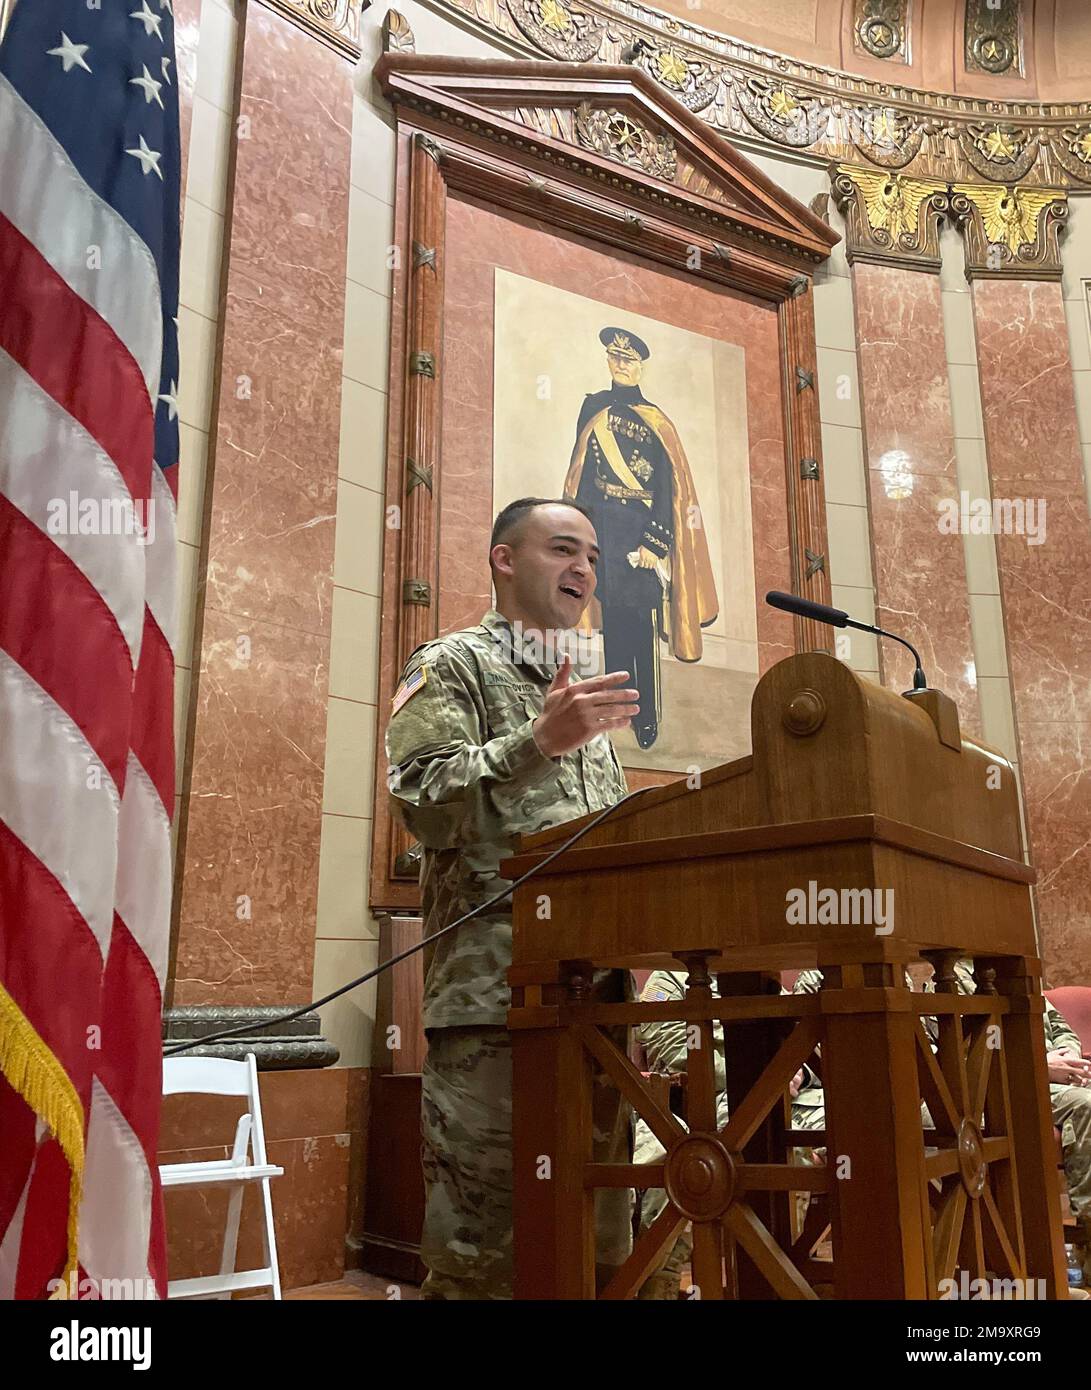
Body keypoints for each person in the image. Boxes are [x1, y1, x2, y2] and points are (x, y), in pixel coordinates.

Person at [385, 496, 639, 1299]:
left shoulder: (579, 694)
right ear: (503, 559)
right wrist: (535, 743)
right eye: (563, 550)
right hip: (493, 1006)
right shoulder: (451, 663)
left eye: (593, 557)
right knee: (483, 1257)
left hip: (592, 1006)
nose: (584, 570)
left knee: (595, 1245)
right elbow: (421, 800)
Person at [562, 327, 718, 749]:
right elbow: (582, 478)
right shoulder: (593, 408)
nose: (620, 363)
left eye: (628, 359)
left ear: (641, 365)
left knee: (639, 625)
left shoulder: (656, 421)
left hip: (639, 532)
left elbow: (669, 488)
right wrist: (579, 536)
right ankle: (615, 707)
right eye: (614, 357)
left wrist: (655, 542)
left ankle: (644, 712)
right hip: (602, 532)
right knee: (614, 621)